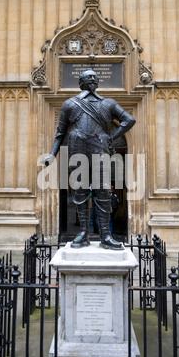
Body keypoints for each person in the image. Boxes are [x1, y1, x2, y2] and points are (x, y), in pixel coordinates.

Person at [43, 68, 135, 250]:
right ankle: (83, 233)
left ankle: (106, 236)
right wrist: (52, 154)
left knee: (103, 193)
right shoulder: (70, 104)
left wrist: (112, 136)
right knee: (81, 192)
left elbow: (129, 120)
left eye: (94, 77)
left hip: (100, 148)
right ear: (81, 82)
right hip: (78, 148)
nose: (92, 79)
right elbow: (60, 133)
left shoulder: (108, 103)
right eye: (88, 77)